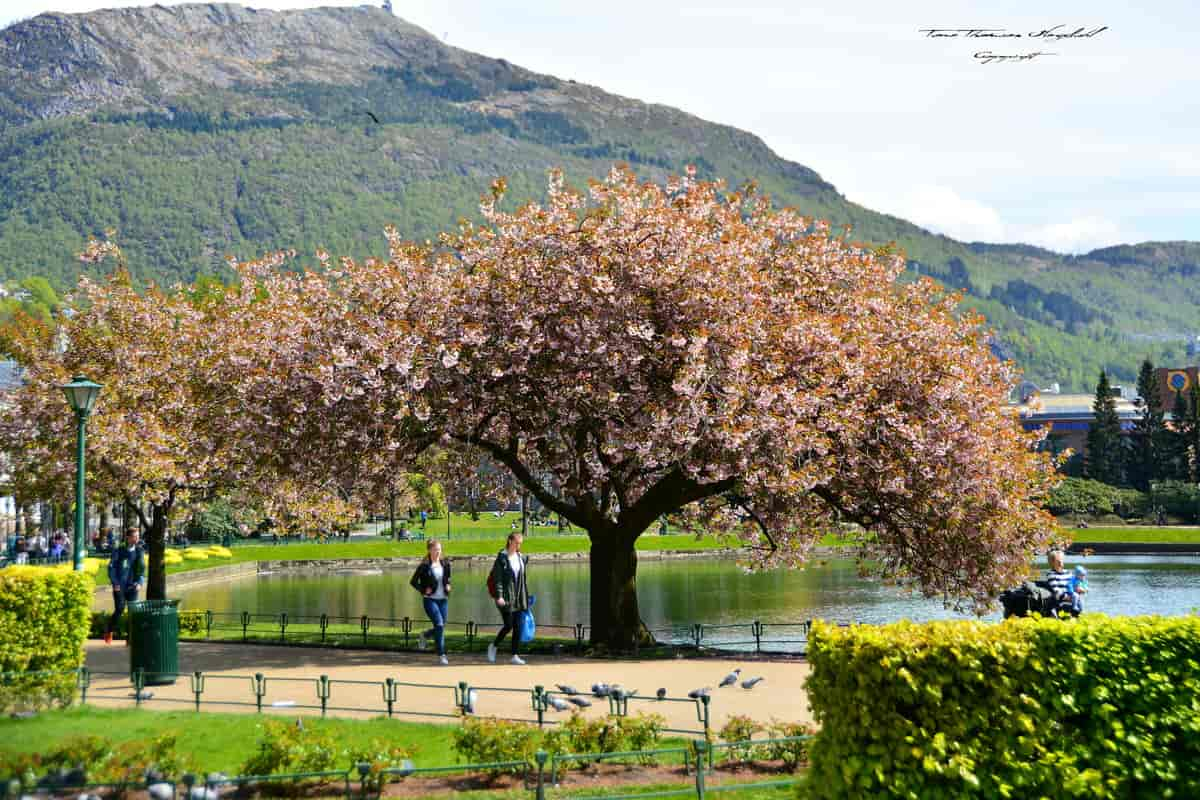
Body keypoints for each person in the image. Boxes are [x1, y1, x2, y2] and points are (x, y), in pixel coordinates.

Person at [488, 532, 530, 665]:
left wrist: (526, 596)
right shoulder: (502, 558)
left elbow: (522, 580)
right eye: (517, 543)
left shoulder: (521, 557)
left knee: (518, 626)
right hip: (505, 597)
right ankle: (493, 646)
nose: (518, 546)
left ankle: (514, 655)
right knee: (508, 625)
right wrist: (499, 596)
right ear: (510, 541)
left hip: (519, 597)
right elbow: (497, 579)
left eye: (520, 544)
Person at [410, 539, 452, 665]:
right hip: (430, 600)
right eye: (435, 549)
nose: (438, 552)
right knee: (439, 625)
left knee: (441, 627)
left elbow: (447, 579)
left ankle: (425, 635)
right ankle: (442, 654)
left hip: (443, 600)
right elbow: (413, 582)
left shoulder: (445, 563)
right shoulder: (424, 566)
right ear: (429, 550)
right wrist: (423, 590)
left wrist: (448, 585)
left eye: (439, 549)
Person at [104, 529, 145, 644]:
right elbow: (111, 568)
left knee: (133, 612)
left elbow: (142, 569)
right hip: (119, 587)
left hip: (133, 586)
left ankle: (130, 638)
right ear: (128, 538)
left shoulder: (139, 551)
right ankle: (109, 630)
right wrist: (115, 583)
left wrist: (140, 582)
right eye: (134, 536)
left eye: (138, 536)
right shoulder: (118, 551)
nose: (137, 539)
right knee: (120, 609)